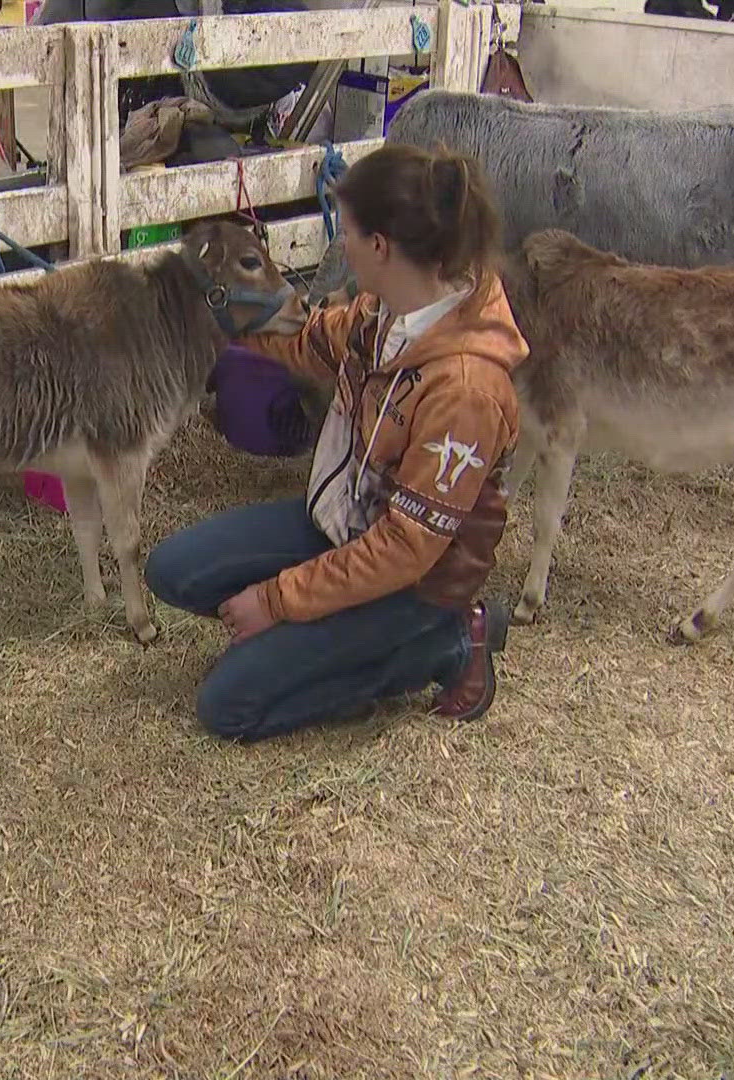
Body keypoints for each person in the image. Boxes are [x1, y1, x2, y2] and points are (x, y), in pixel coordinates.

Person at [143, 143, 530, 743]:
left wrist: (276, 601)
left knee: (227, 707)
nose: (339, 243)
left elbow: (404, 549)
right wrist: (215, 312)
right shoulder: (386, 312)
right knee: (173, 571)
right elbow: (310, 341)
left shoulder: (465, 391)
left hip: (413, 581)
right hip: (343, 518)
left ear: (380, 246)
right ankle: (321, 638)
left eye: (346, 230)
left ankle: (447, 642)